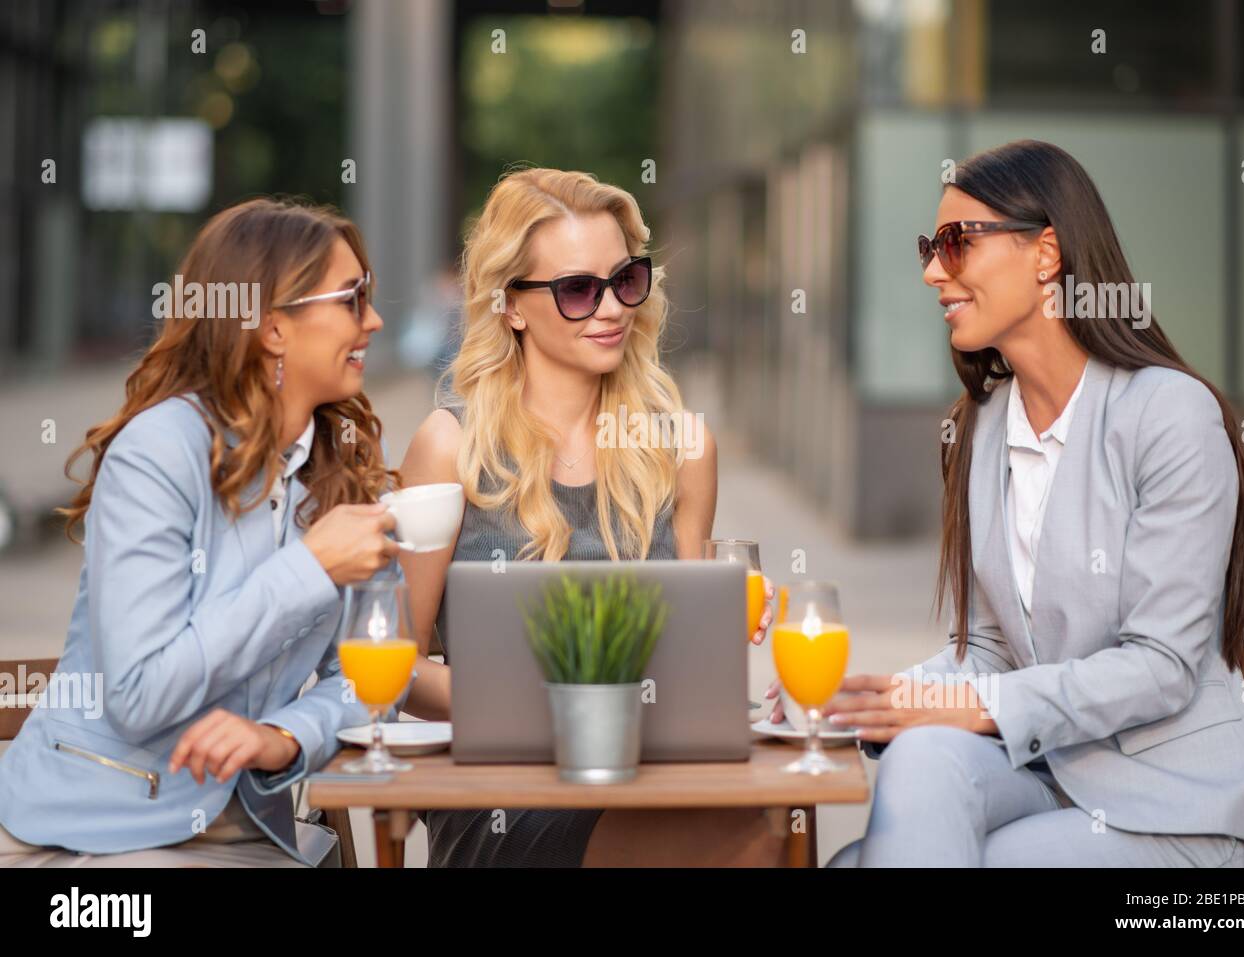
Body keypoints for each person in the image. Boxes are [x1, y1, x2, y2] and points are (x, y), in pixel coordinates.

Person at [824, 140, 1244, 867]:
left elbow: (1161, 664)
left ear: (1045, 253)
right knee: (921, 758)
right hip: (1050, 774)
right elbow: (995, 653)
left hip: (1176, 822)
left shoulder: (1169, 414)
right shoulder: (982, 425)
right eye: (928, 247)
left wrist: (972, 706)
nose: (934, 271)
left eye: (955, 243)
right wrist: (859, 703)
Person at [0, 198, 401, 867]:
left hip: (246, 838)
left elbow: (369, 678)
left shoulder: (339, 467)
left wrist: (283, 735)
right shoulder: (159, 451)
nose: (375, 321)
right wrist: (307, 567)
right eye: (353, 299)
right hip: (92, 835)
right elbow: (138, 694)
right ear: (273, 327)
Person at [398, 167, 779, 866]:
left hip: (653, 774)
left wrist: (727, 622)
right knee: (743, 838)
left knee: (750, 821)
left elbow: (695, 659)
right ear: (510, 305)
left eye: (626, 280)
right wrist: (554, 711)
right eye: (578, 289)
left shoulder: (683, 447)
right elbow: (393, 667)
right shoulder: (448, 446)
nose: (611, 308)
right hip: (504, 794)